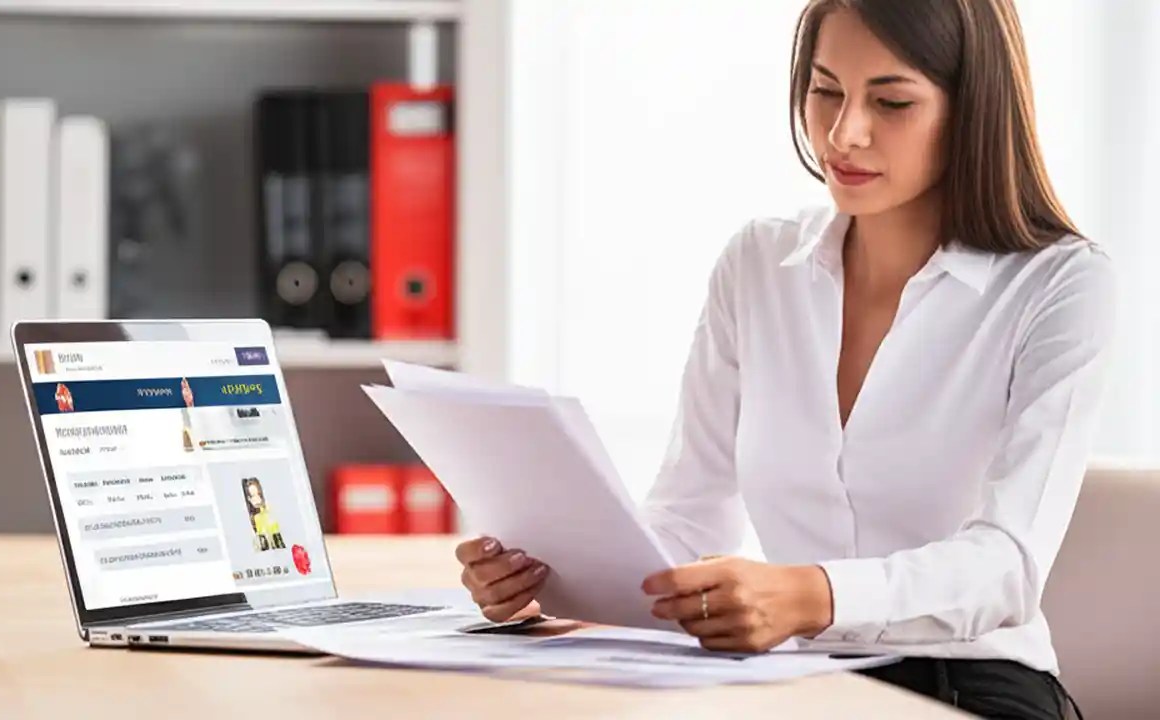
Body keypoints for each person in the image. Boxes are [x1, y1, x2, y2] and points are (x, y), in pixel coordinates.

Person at [454, 1, 1113, 717]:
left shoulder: (1060, 283)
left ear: (973, 110)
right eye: (826, 89)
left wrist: (808, 595)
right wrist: (552, 575)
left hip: (971, 686)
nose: (843, 133)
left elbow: (1007, 568)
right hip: (795, 686)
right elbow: (687, 519)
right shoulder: (759, 265)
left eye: (891, 102)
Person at [242, 477, 285, 551]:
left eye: (258, 494)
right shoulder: (255, 519)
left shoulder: (269, 513)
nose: (257, 499)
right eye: (253, 496)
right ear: (249, 499)